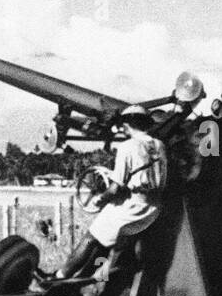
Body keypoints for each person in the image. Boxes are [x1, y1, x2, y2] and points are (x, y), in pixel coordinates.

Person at [56, 105, 167, 279]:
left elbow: (115, 188)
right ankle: (78, 282)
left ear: (127, 124)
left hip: (134, 208)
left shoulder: (127, 147)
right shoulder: (160, 145)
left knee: (90, 237)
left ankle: (60, 277)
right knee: (102, 243)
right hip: (154, 208)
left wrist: (100, 199)